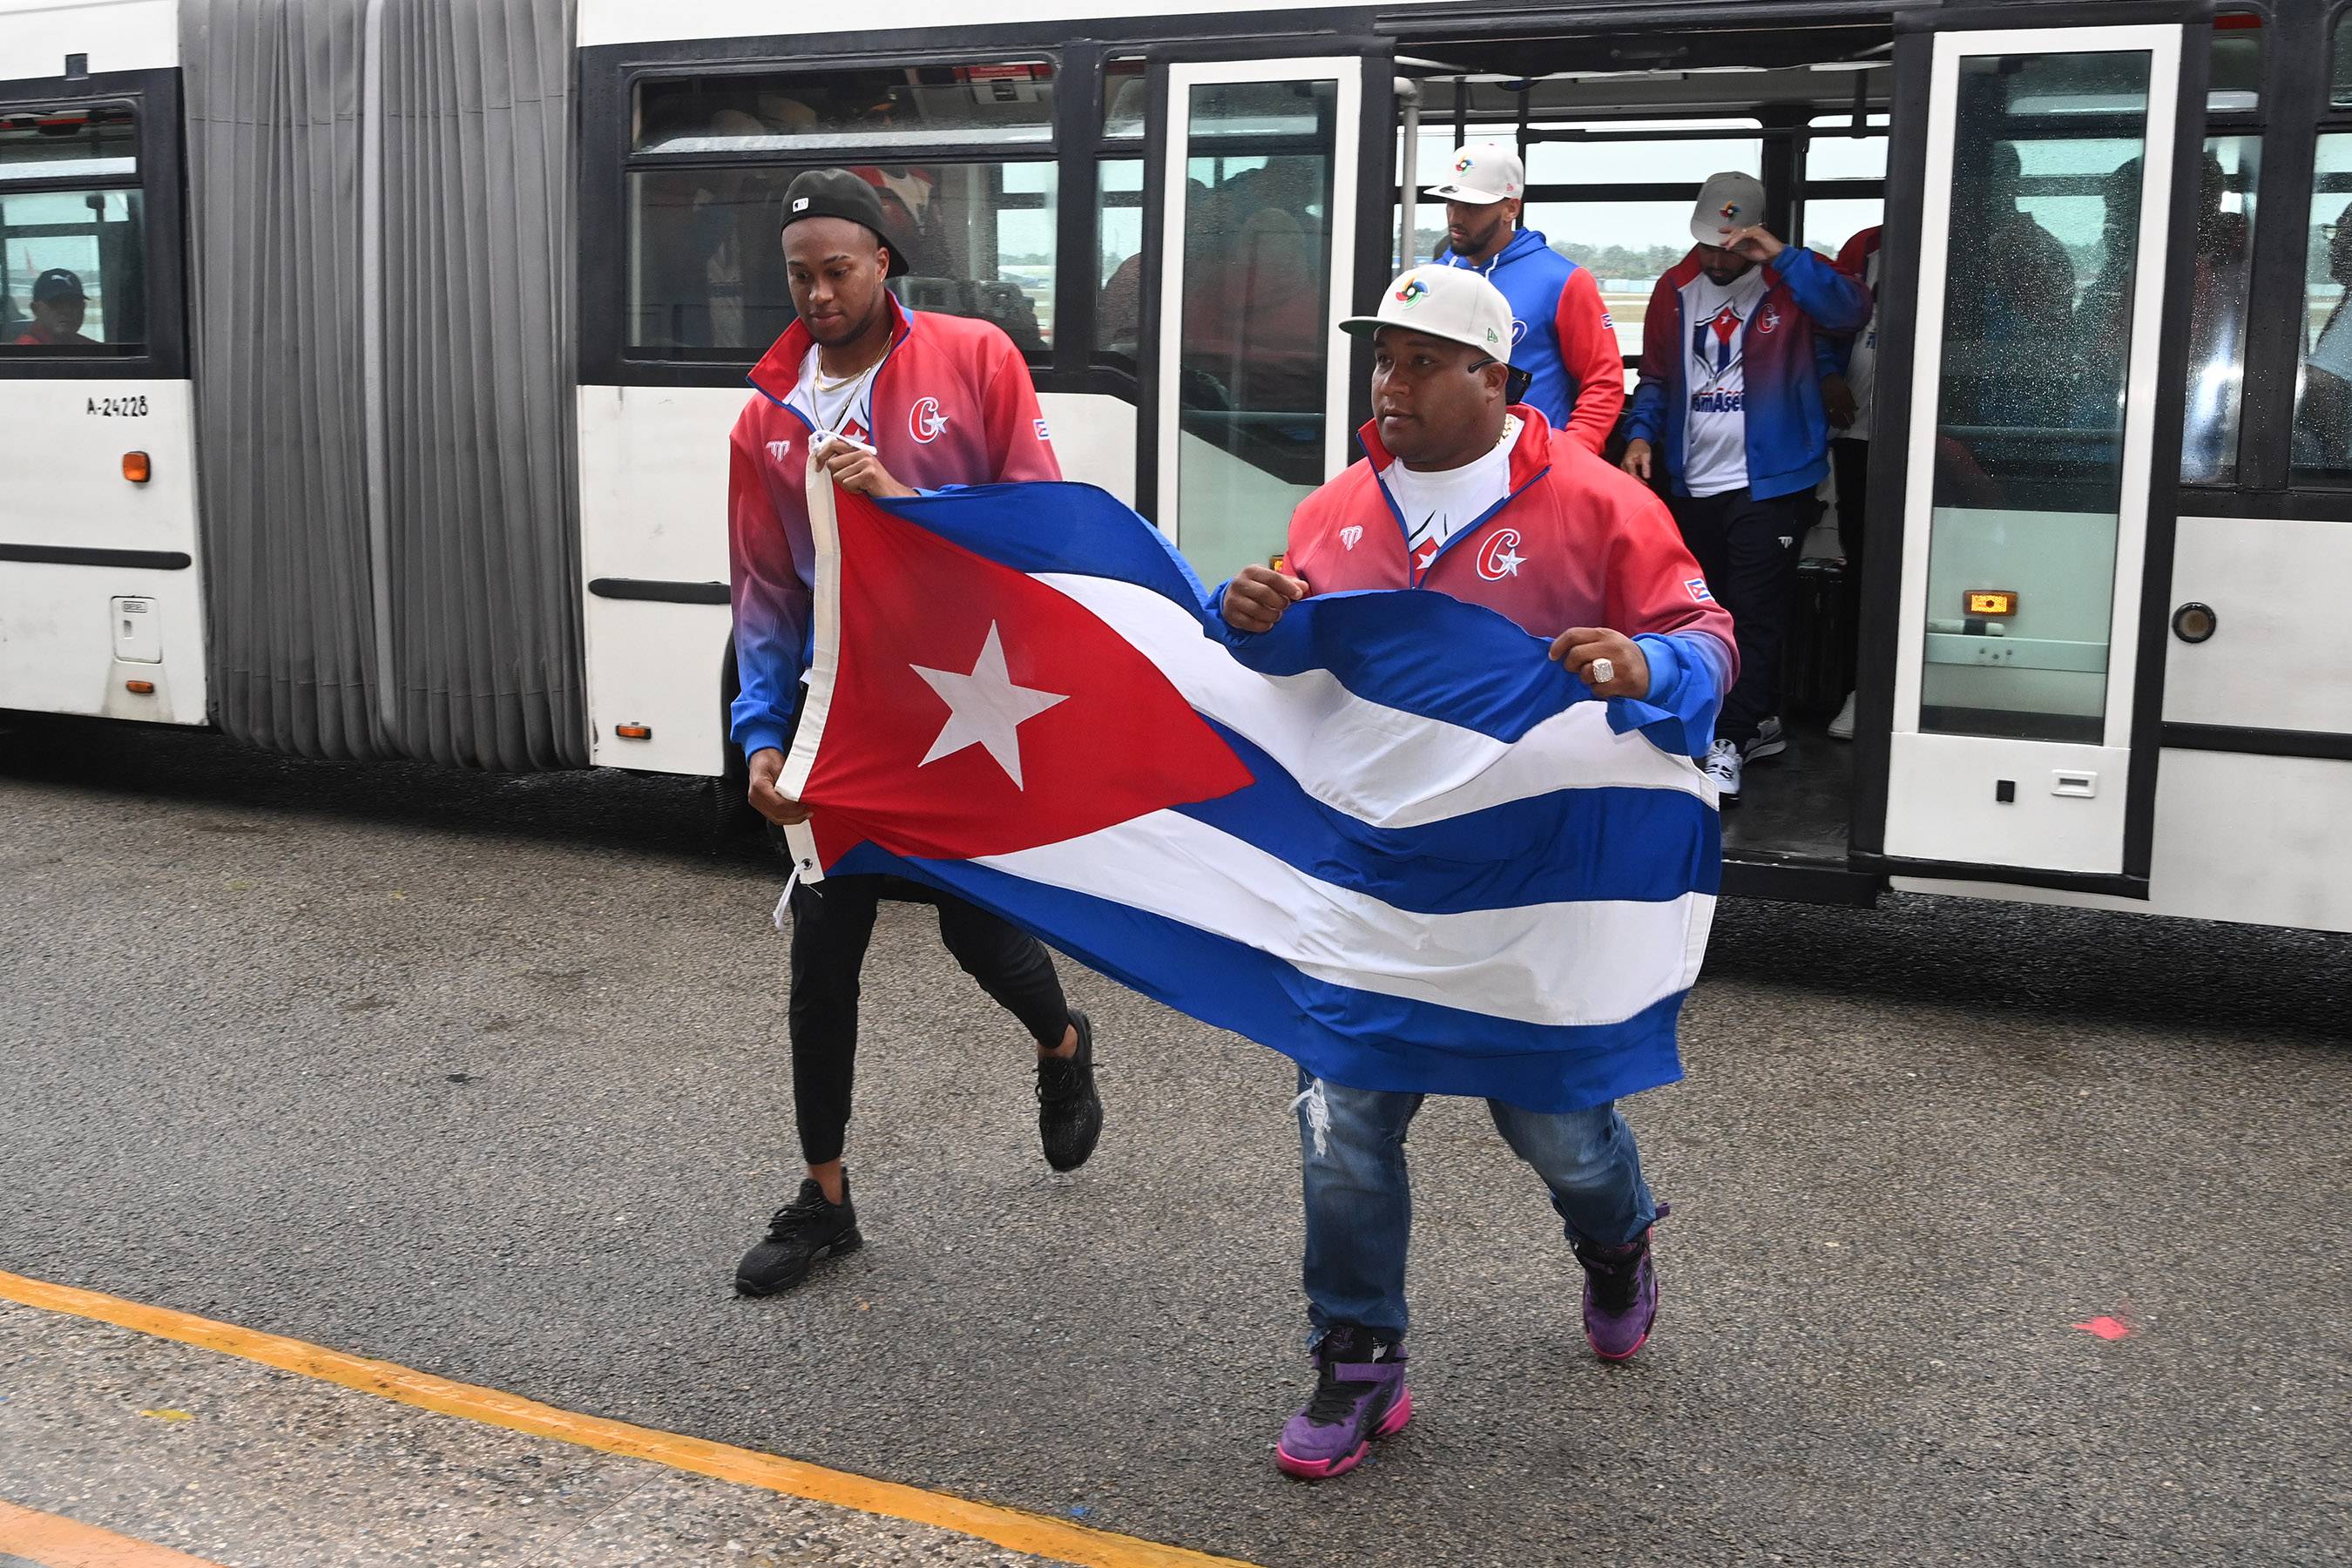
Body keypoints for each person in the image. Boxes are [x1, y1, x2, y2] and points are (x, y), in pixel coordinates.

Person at [1219, 264, 1737, 1483]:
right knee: (1341, 1124)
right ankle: (1357, 1364)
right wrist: (1255, 616)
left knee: (1555, 1129)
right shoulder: (1337, 508)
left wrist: (1647, 670)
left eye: (1415, 361)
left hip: (1529, 896)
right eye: (1381, 359)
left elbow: (1706, 638)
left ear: (1491, 379)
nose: (1387, 384)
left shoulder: (1601, 505)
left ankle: (1615, 1244)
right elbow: (1305, 673)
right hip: (1370, 887)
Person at [727, 168, 1103, 1296]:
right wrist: (761, 738)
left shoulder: (975, 359)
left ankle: (1062, 1043)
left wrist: (901, 503)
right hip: (839, 726)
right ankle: (824, 1198)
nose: (818, 293)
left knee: (976, 937)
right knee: (821, 961)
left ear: (885, 259)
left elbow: (1037, 527)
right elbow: (764, 597)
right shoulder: (767, 417)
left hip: (961, 710)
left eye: (837, 270)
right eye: (799, 276)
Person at [1621, 172, 1869, 801]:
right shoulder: (1674, 288)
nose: (1717, 258)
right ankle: (1739, 720)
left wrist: (1781, 258)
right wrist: (1641, 437)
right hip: (1689, 481)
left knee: (1756, 613)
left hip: (1772, 481)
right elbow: (1654, 378)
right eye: (1707, 244)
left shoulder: (1792, 281)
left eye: (1730, 245)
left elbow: (1851, 312)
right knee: (1702, 612)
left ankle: (1731, 737)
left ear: (1755, 234)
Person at [1423, 139, 1626, 454]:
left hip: (1535, 470)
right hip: (1448, 466)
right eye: (1451, 202)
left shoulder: (1563, 280)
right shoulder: (1431, 280)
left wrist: (1573, 454)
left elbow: (1603, 381)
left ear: (1511, 207)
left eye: (1473, 206)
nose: (1456, 216)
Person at [1820, 223, 1882, 742]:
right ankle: (1863, 690)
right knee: (1864, 567)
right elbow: (1827, 324)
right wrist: (1826, 373)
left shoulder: (1989, 243)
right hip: (1861, 435)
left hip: (1945, 440)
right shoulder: (1868, 246)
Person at [12, 269, 96, 347]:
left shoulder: (93, 349)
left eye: (74, 303)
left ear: (83, 307)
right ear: (35, 309)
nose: (66, 310)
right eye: (56, 303)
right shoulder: (24, 353)